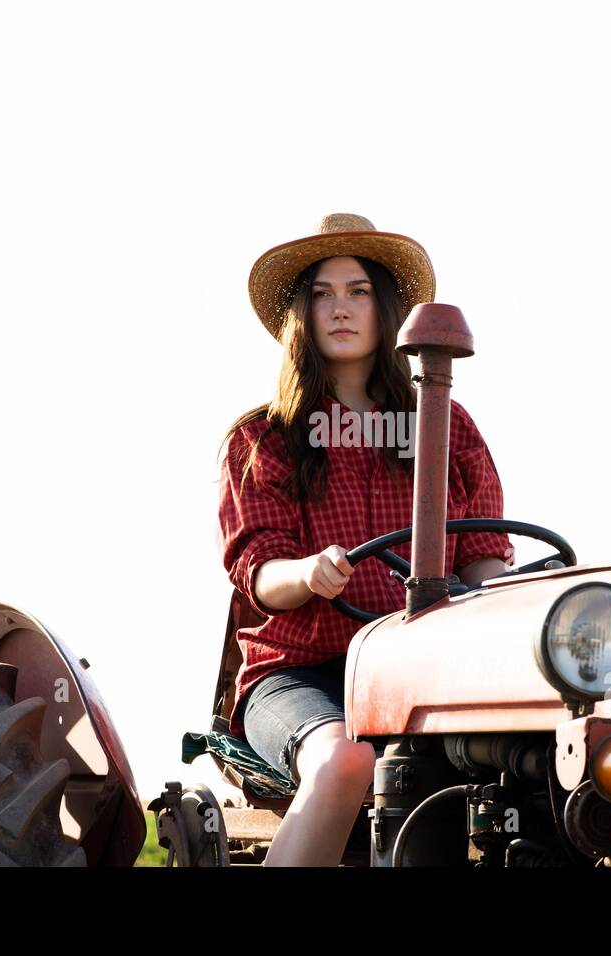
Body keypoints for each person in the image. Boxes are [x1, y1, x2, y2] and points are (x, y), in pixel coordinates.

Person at [217, 213, 515, 866]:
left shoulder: (447, 427)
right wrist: (308, 572)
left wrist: (521, 602)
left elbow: (484, 557)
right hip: (300, 674)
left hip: (422, 677)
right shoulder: (263, 438)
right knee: (345, 761)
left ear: (385, 310)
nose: (340, 308)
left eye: (357, 291)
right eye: (322, 293)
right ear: (301, 314)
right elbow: (257, 570)